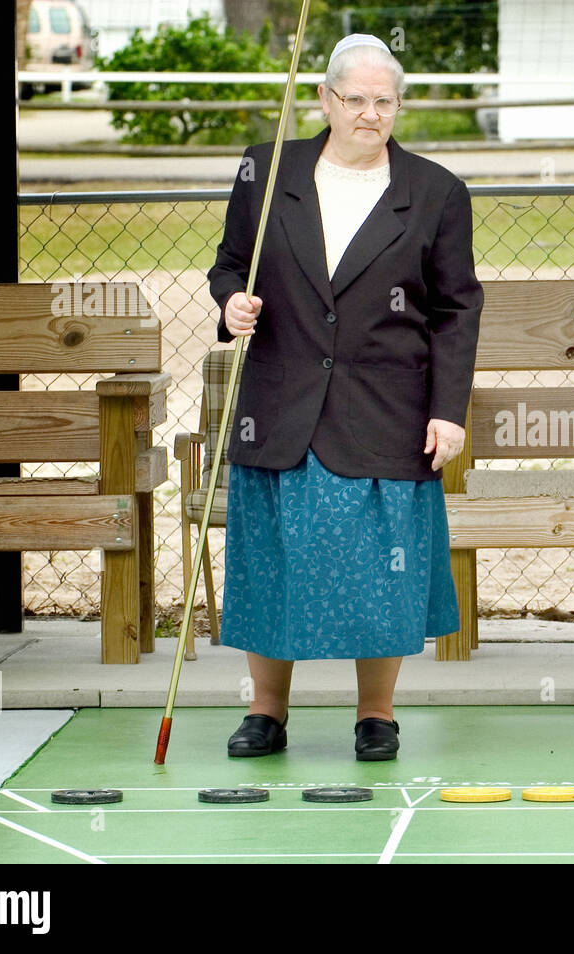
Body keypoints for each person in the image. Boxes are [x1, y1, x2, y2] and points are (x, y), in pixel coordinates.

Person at [207, 34, 482, 762]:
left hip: (387, 408)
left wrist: (447, 409)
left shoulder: (435, 192)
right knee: (272, 563)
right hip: (280, 401)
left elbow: (457, 310)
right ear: (325, 99)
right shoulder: (267, 171)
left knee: (380, 568)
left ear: (399, 106)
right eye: (354, 99)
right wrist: (232, 302)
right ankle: (266, 712)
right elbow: (229, 263)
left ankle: (377, 715)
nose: (369, 114)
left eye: (383, 101)